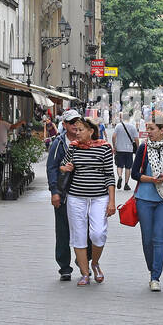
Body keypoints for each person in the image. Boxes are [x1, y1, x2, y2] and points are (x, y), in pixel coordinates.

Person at [59, 115, 116, 286]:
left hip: (99, 197)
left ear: (91, 131)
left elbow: (109, 176)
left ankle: (95, 263)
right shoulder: (73, 147)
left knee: (98, 233)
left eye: (80, 130)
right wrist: (65, 167)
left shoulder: (104, 148)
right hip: (76, 197)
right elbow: (63, 164)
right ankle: (84, 273)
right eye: (75, 130)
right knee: (79, 235)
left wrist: (112, 201)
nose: (76, 133)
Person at [131, 118, 163, 291]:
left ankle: (155, 276)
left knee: (159, 239)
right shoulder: (143, 148)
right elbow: (134, 174)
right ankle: (151, 268)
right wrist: (151, 179)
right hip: (144, 199)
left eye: (152, 129)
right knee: (147, 240)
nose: (149, 132)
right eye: (147, 129)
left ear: (162, 130)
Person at [46, 108, 80, 281]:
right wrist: (54, 192)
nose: (75, 125)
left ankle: (84, 260)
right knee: (63, 231)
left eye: (77, 122)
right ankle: (64, 267)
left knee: (86, 229)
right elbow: (51, 167)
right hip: (64, 193)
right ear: (65, 125)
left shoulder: (86, 140)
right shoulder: (58, 143)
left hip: (83, 194)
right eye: (72, 122)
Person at [111, 117, 138, 190]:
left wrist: (114, 146)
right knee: (128, 167)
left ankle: (120, 176)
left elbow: (113, 137)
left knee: (119, 166)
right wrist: (138, 148)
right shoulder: (133, 127)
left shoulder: (118, 126)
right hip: (129, 150)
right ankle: (126, 184)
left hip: (119, 149)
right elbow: (136, 139)